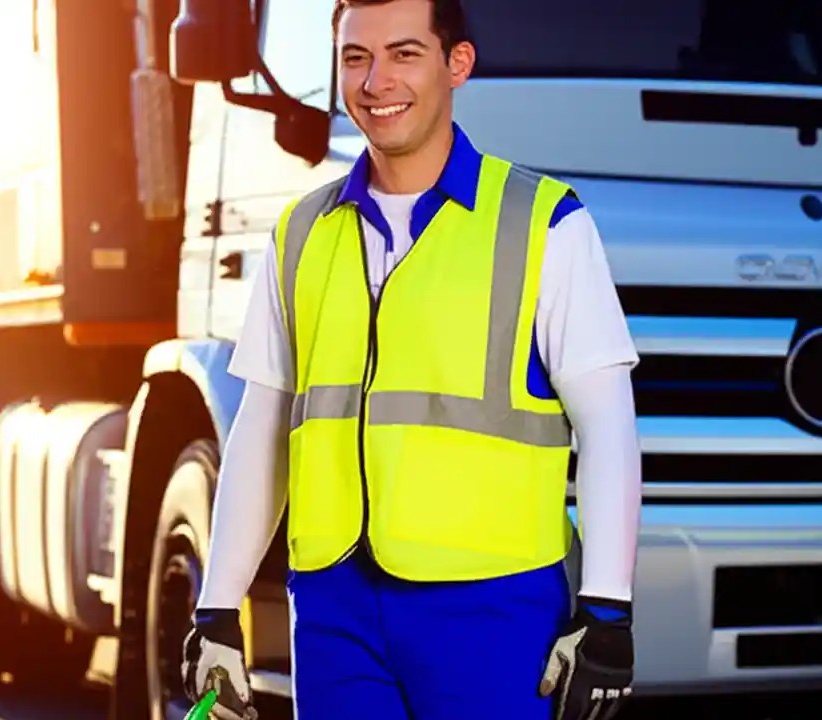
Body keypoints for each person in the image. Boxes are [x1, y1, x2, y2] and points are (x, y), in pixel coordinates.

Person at [181, 0, 643, 718]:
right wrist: (216, 611)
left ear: (457, 64)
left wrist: (607, 611)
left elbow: (609, 425)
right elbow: (262, 433)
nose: (375, 82)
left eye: (404, 54)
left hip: (497, 608)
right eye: (355, 58)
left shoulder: (543, 223)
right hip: (335, 609)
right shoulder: (301, 234)